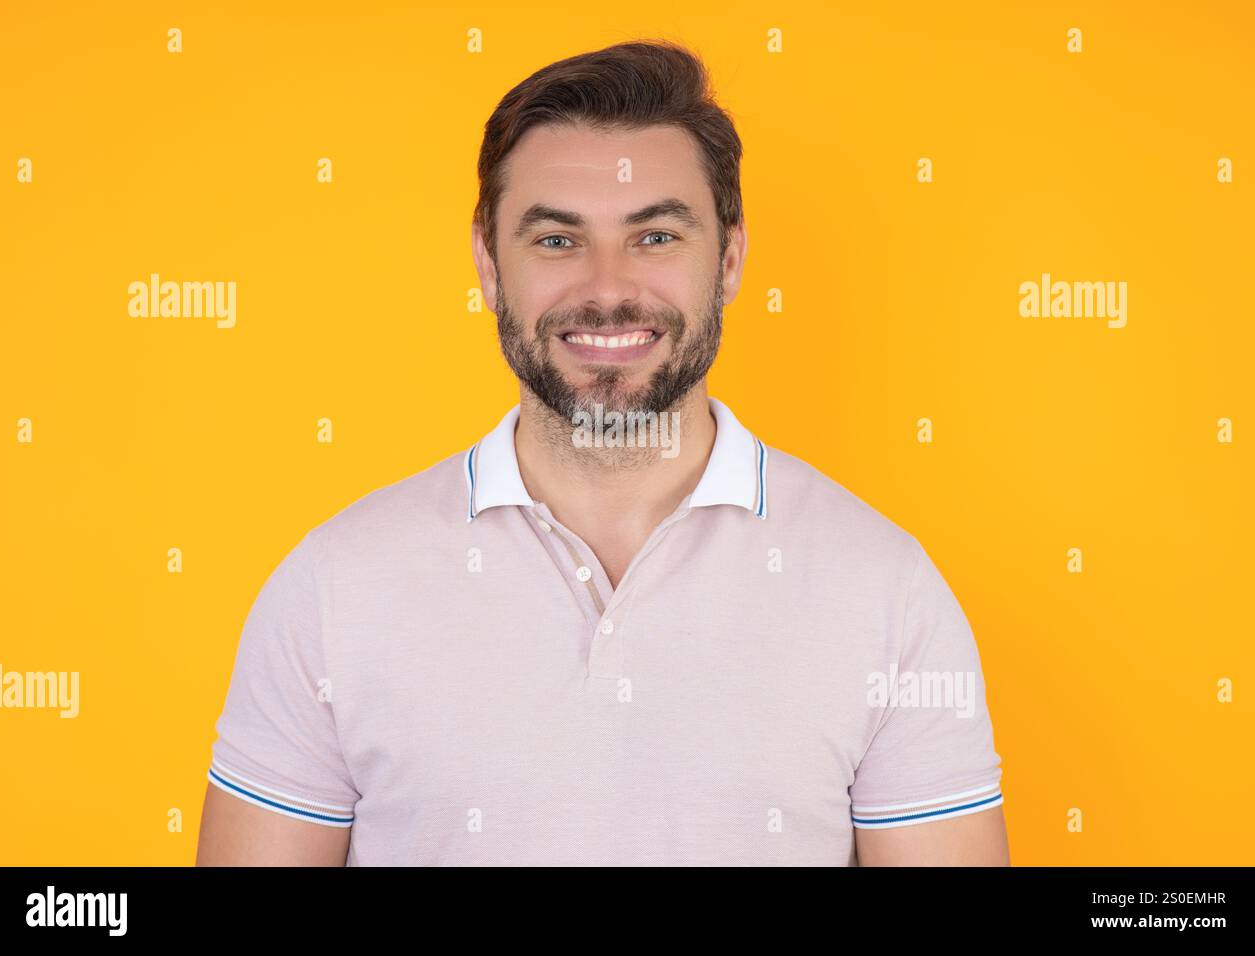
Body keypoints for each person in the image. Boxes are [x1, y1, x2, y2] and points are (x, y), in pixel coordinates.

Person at [196, 39, 1008, 866]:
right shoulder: (332, 589)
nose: (608, 287)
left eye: (656, 237)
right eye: (556, 240)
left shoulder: (888, 591)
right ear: (487, 263)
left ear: (728, 260)